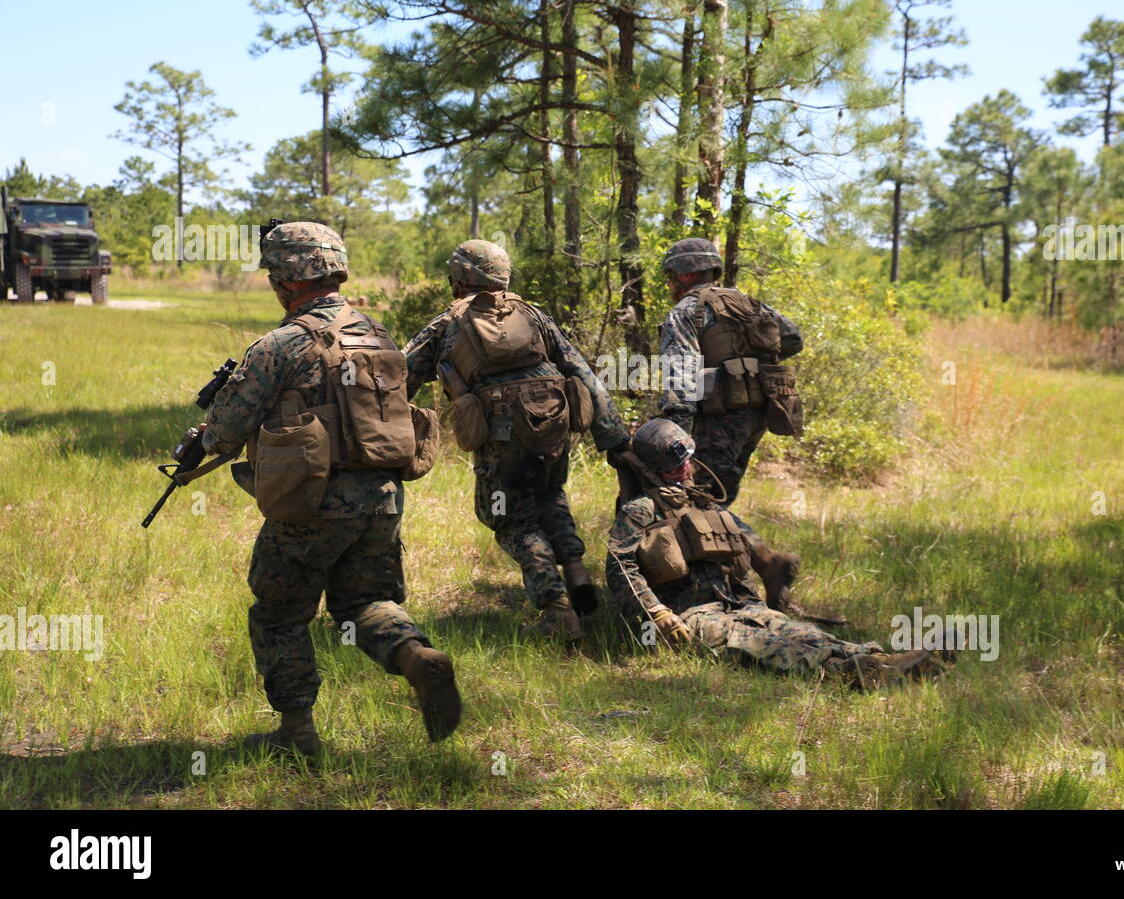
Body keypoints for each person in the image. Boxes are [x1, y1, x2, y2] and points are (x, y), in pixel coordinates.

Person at [202, 220, 461, 755]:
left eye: (275, 273)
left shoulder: (279, 345)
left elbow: (225, 429)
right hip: (384, 499)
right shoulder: (379, 334)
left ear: (287, 278)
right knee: (365, 600)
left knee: (279, 612)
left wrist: (206, 441)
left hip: (311, 503)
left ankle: (296, 736)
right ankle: (417, 658)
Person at [604, 419, 948, 687]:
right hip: (693, 615)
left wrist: (769, 565)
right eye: (673, 466)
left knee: (804, 634)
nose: (685, 470)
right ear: (652, 469)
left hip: (742, 604)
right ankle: (860, 675)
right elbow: (621, 567)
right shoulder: (640, 510)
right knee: (770, 648)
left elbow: (747, 542)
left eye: (687, 461)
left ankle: (884, 659)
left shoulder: (704, 502)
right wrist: (658, 615)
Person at [404, 240, 631, 644]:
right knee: (550, 495)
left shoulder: (448, 324)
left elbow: (400, 377)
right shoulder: (534, 315)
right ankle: (576, 571)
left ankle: (556, 609)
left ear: (461, 278)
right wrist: (614, 439)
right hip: (552, 427)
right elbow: (581, 371)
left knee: (513, 519)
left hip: (502, 437)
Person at [655, 238, 829, 620]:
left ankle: (761, 565)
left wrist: (676, 439)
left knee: (701, 502)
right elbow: (793, 338)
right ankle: (734, 576)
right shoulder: (749, 303)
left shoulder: (686, 312)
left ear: (683, 274)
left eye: (671, 276)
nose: (671, 283)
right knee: (716, 499)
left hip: (715, 420)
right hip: (756, 418)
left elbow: (680, 379)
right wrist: (746, 363)